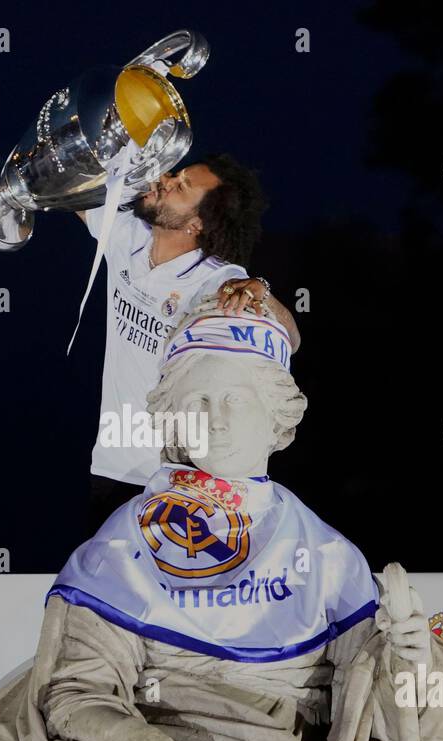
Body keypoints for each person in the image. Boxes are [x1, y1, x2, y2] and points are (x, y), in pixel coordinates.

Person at [0, 297, 443, 741]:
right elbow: (75, 691)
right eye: (198, 402)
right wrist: (128, 738)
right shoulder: (124, 545)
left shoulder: (325, 556)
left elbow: (374, 698)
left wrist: (414, 661)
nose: (216, 419)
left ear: (275, 417)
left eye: (234, 400)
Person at [76, 154, 301, 531]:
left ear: (197, 223)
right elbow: (73, 192)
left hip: (182, 478)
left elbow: (291, 337)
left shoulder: (217, 279)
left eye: (181, 186)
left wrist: (261, 292)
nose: (165, 179)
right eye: (174, 175)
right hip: (113, 466)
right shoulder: (126, 234)